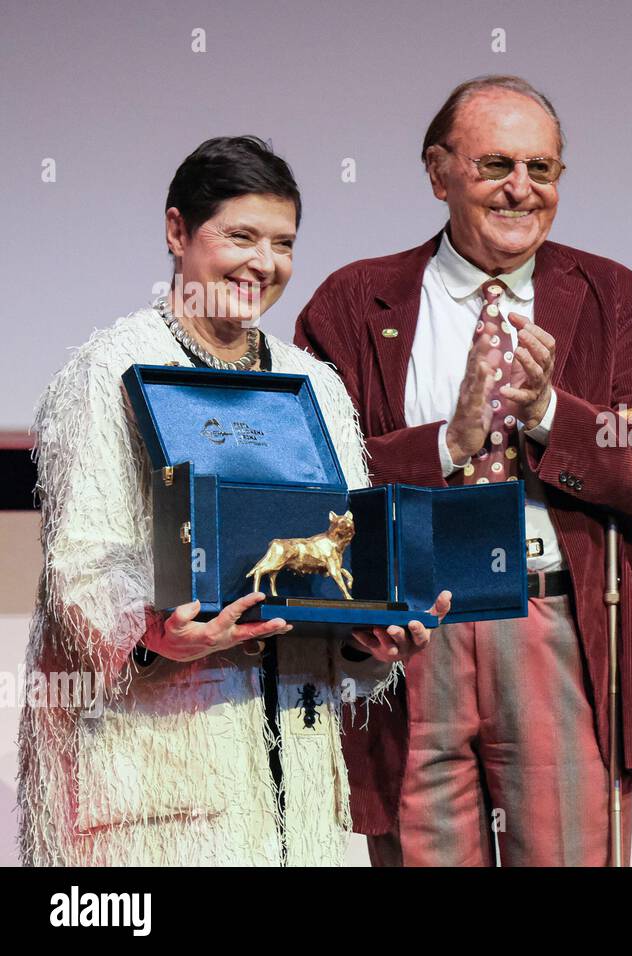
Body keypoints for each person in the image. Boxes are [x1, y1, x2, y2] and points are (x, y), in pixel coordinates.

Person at [296, 75, 632, 866]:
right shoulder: (354, 300)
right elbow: (314, 486)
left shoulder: (612, 296)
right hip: (411, 636)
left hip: (553, 630)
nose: (521, 188)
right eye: (495, 166)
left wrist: (550, 412)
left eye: (541, 168)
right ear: (438, 172)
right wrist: (448, 444)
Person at [18, 135, 448, 867]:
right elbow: (83, 563)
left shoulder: (314, 384)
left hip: (294, 777)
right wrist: (156, 635)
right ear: (177, 231)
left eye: (283, 243)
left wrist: (366, 639)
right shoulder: (108, 370)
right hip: (156, 772)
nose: (263, 263)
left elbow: (336, 565)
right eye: (240, 236)